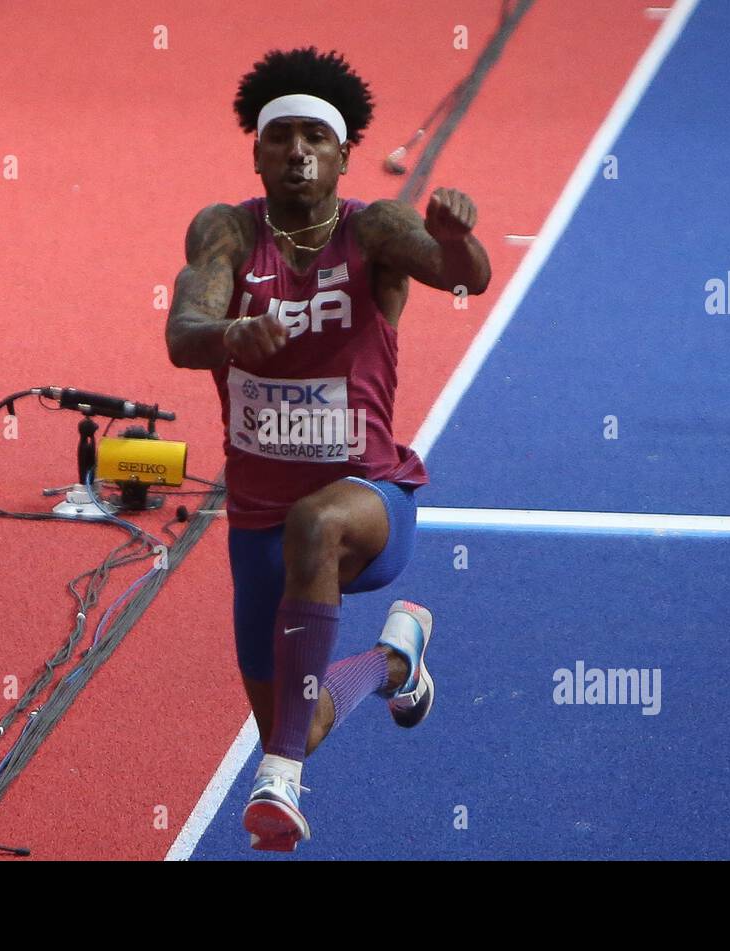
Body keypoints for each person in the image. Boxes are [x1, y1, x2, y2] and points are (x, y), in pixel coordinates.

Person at [165, 46, 491, 851]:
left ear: (345, 154)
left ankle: (278, 780)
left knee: (318, 521)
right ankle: (394, 662)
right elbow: (183, 333)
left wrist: (454, 243)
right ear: (258, 151)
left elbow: (467, 277)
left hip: (367, 498)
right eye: (283, 138)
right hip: (256, 524)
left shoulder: (374, 230)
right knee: (300, 721)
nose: (299, 152)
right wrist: (234, 331)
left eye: (317, 137)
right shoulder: (226, 233)